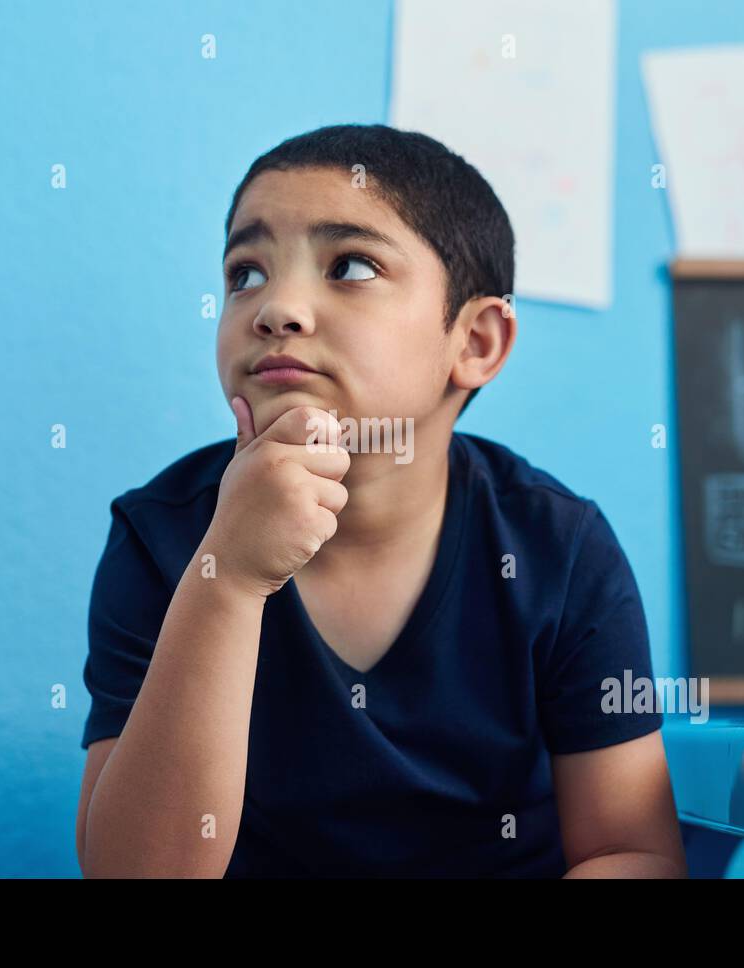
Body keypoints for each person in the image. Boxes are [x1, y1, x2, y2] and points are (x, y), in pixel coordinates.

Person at [75, 123, 686, 877]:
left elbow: (633, 852)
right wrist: (229, 578)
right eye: (246, 274)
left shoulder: (559, 549)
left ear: (477, 344)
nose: (277, 309)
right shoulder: (160, 538)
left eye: (351, 266)